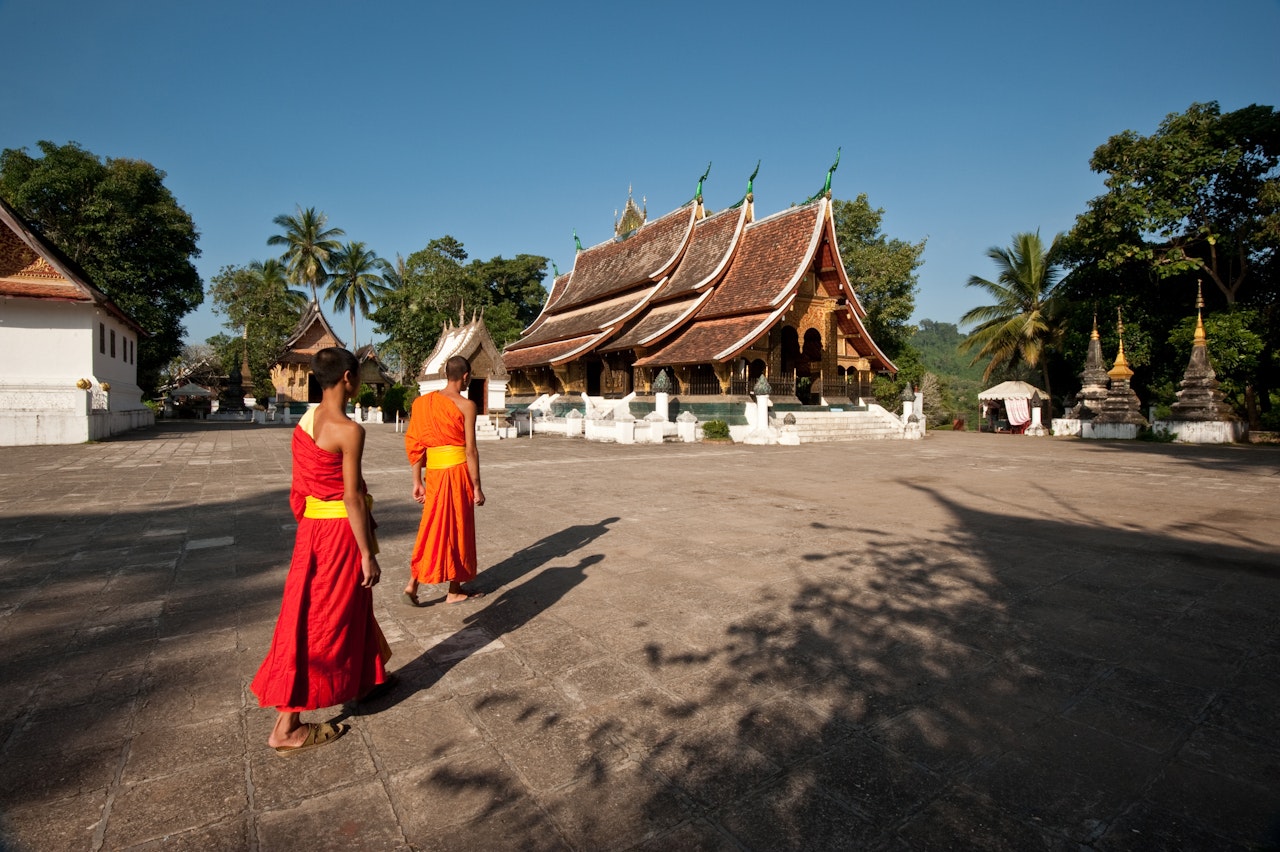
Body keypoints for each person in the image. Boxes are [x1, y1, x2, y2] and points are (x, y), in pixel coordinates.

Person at [250, 347, 391, 754]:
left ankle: (367, 677)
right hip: (338, 534)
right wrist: (367, 552)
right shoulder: (349, 430)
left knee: (342, 608)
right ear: (348, 378)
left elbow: (303, 484)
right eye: (359, 375)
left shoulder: (307, 421)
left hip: (311, 529)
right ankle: (287, 725)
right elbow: (350, 497)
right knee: (322, 621)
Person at [403, 354, 486, 605]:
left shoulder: (422, 403)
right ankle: (438, 588)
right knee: (458, 527)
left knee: (433, 526)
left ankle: (427, 585)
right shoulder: (466, 405)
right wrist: (478, 486)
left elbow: (416, 445)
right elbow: (470, 449)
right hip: (458, 473)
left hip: (435, 474)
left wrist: (417, 480)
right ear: (465, 376)